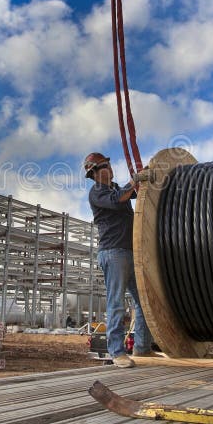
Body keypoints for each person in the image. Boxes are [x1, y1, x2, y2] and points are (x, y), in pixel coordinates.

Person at [84, 152, 153, 368]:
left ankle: (142, 348)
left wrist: (148, 177)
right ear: (95, 173)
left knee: (144, 303)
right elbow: (118, 200)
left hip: (131, 251)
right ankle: (117, 352)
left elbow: (136, 194)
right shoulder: (97, 192)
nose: (110, 168)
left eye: (109, 164)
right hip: (113, 253)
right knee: (116, 303)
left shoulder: (115, 188)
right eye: (105, 165)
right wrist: (134, 180)